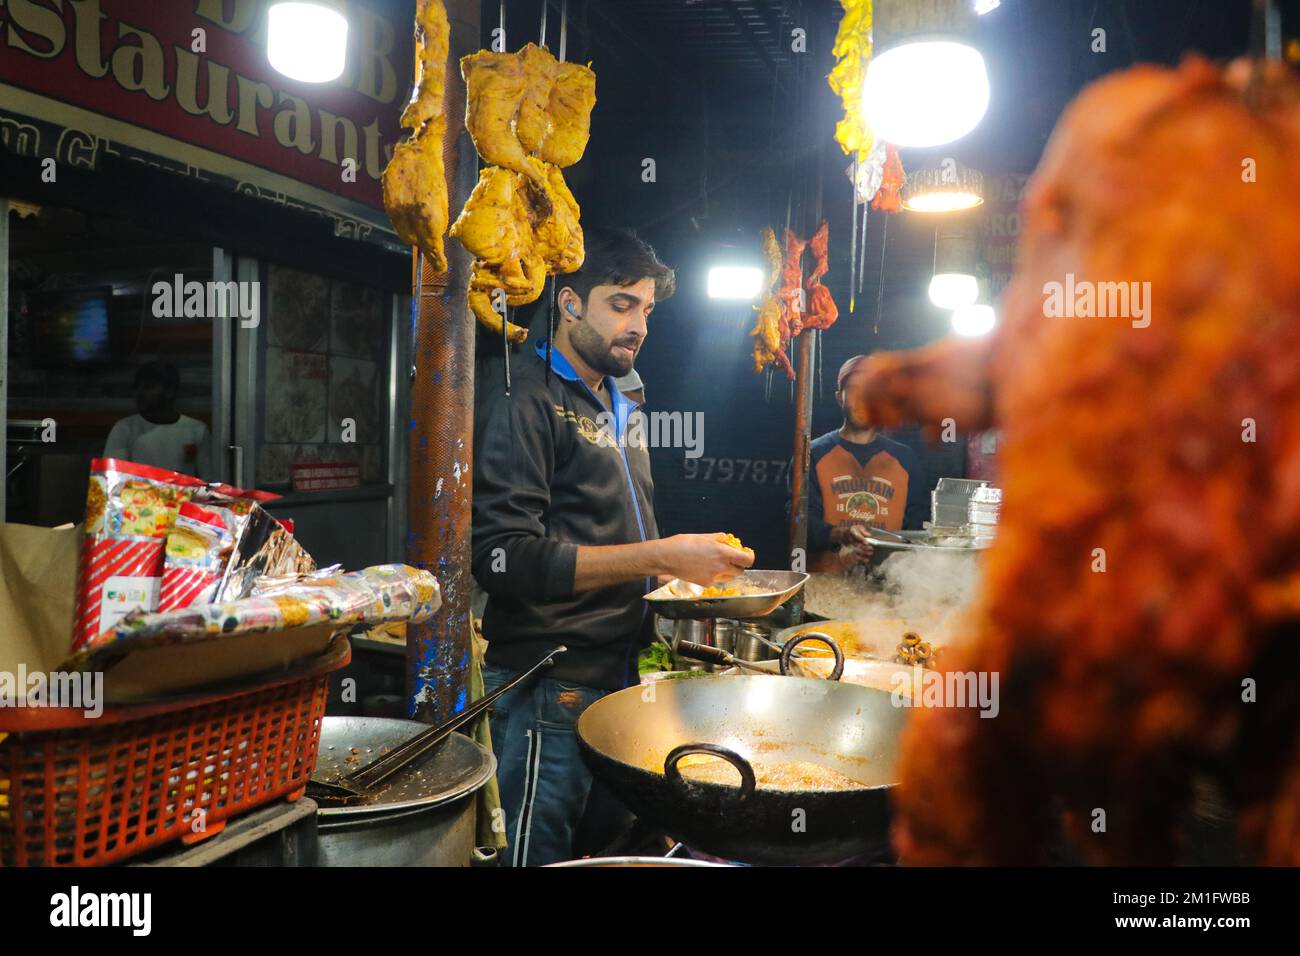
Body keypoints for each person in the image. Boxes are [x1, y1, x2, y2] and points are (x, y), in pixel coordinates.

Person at [471, 228, 753, 866]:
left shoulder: (622, 397)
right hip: (550, 682)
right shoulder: (524, 395)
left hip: (620, 674)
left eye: (647, 309)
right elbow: (503, 556)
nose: (640, 325)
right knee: (537, 856)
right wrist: (661, 558)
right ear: (569, 303)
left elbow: (620, 529)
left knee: (601, 852)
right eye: (622, 304)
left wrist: (686, 582)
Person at [801, 354, 928, 573]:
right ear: (839, 397)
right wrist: (842, 535)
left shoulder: (905, 460)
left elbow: (918, 530)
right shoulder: (812, 454)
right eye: (853, 389)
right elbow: (801, 520)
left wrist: (882, 551)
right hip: (824, 587)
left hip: (889, 590)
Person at [104, 361, 210, 478]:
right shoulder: (124, 429)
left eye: (148, 387)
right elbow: (111, 481)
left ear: (169, 392)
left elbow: (210, 481)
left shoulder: (197, 430)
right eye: (137, 387)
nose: (139, 393)